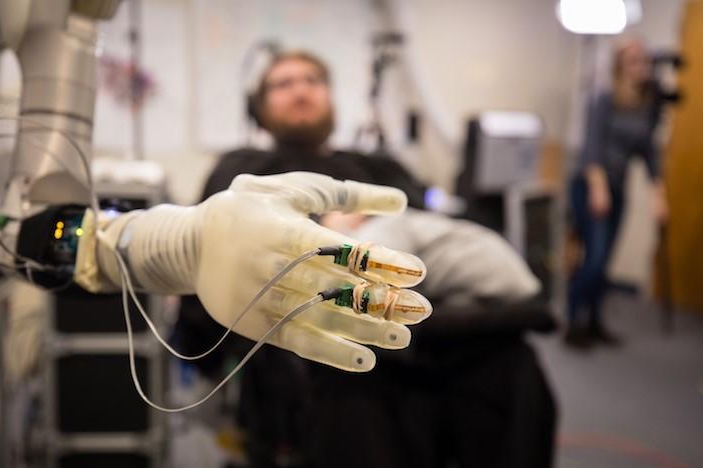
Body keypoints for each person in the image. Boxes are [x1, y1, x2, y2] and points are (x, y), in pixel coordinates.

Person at [176, 49, 556, 468]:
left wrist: (374, 220)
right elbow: (213, 267)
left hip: (427, 318)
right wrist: (326, 227)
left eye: (312, 81)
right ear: (260, 108)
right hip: (316, 337)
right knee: (355, 377)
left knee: (513, 366)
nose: (300, 90)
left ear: (331, 98)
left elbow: (428, 231)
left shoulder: (376, 166)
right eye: (283, 84)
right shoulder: (244, 174)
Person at [566, 38, 668, 348]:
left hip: (618, 186)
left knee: (606, 258)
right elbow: (592, 148)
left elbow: (650, 153)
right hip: (590, 185)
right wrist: (599, 189)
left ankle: (595, 321)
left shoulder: (647, 105)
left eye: (644, 61)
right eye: (633, 61)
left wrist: (660, 195)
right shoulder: (603, 99)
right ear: (620, 66)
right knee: (593, 258)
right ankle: (573, 322)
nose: (641, 67)